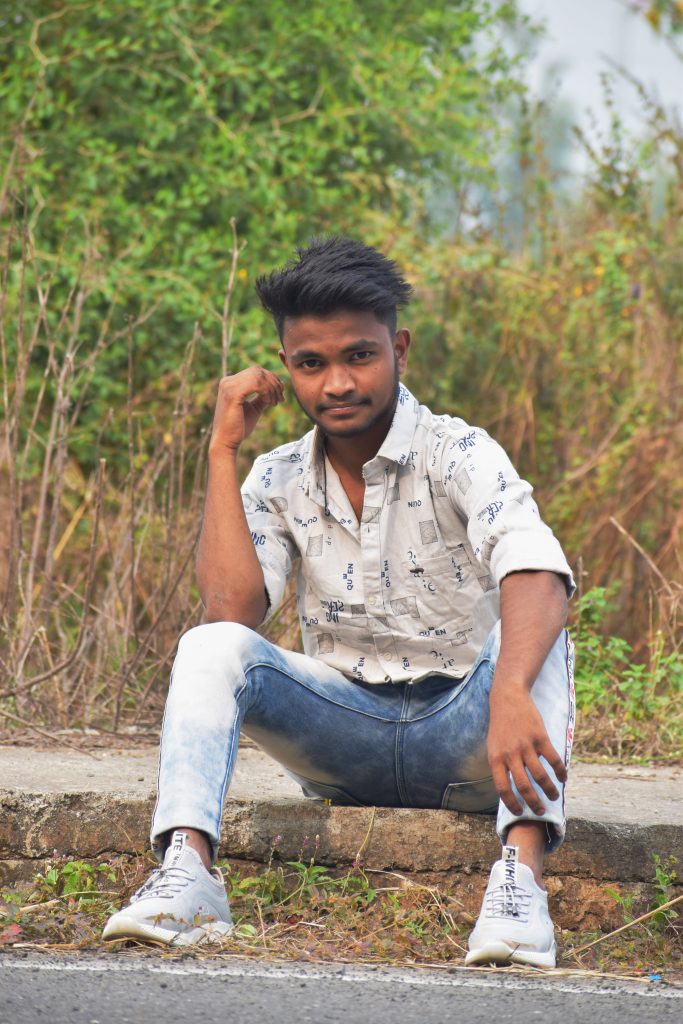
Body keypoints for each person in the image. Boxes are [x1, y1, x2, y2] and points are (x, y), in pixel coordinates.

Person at [103, 237, 575, 967]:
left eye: (359, 355)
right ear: (285, 368)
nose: (337, 384)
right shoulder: (278, 475)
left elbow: (536, 568)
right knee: (208, 645)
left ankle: (517, 889)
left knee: (538, 632)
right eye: (310, 364)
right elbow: (231, 609)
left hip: (467, 741)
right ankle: (188, 874)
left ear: (399, 350)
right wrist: (221, 452)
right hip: (342, 743)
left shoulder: (457, 452)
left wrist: (508, 689)